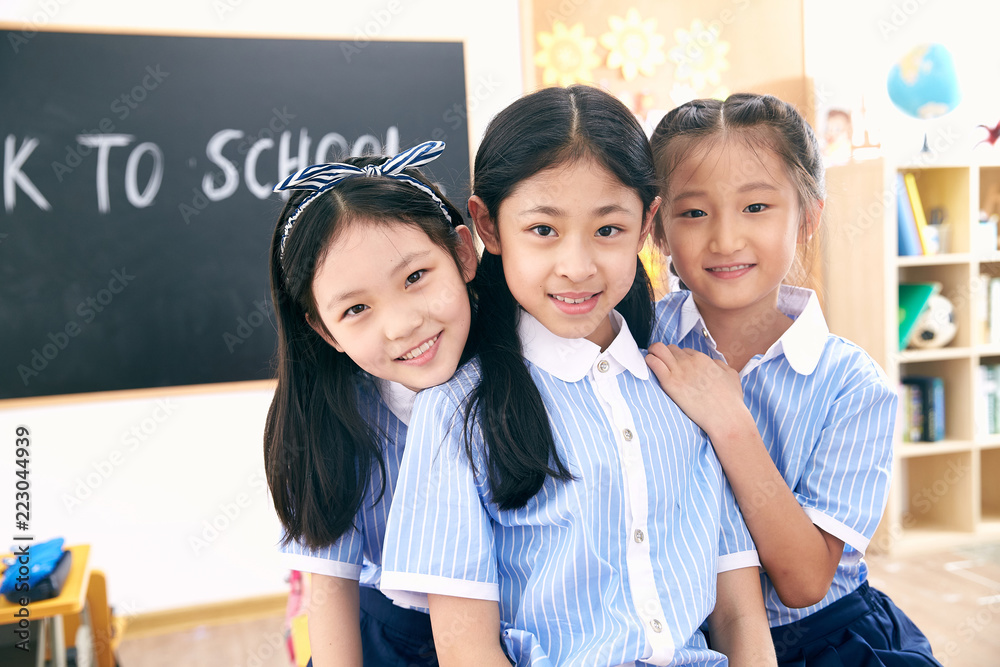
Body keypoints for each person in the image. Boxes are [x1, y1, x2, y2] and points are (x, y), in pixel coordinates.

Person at [381, 85, 775, 667]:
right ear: (488, 227)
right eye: (543, 230)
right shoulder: (456, 412)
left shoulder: (688, 388)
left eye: (608, 230)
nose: (577, 266)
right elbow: (467, 651)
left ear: (646, 223)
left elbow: (740, 616)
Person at [646, 94, 942, 666]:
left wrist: (731, 422)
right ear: (656, 229)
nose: (725, 239)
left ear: (807, 218)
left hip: (824, 639)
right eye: (694, 213)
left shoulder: (852, 386)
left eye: (756, 207)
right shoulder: (636, 345)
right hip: (682, 638)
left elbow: (804, 581)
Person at [263, 141, 478, 667]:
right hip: (392, 645)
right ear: (325, 331)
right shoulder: (335, 426)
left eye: (415, 278)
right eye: (357, 308)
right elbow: (330, 596)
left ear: (463, 254)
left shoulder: (529, 376)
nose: (402, 325)